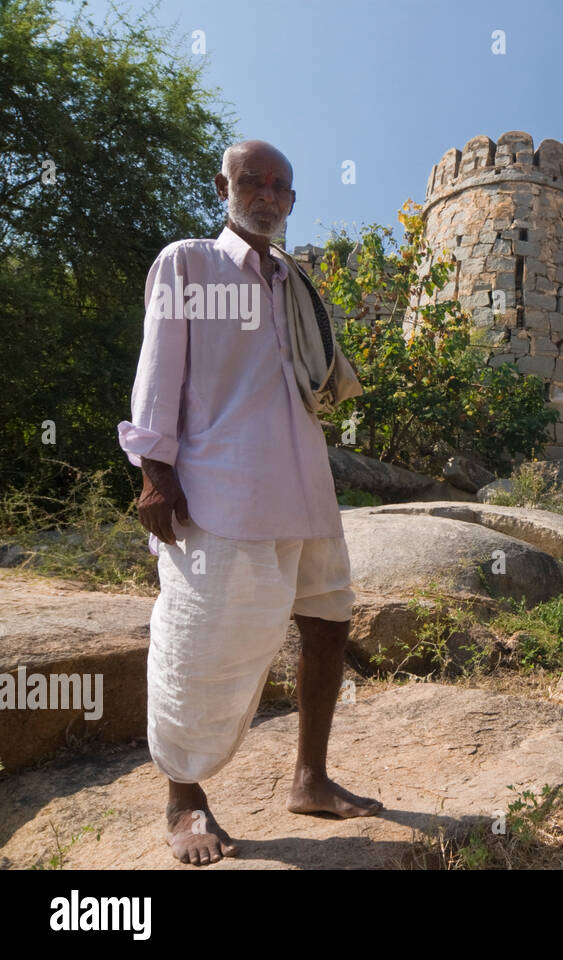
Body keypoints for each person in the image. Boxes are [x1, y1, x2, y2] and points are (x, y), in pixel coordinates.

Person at [119, 140, 381, 866]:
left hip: (304, 483)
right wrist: (155, 472)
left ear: (291, 201)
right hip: (220, 490)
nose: (266, 195)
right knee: (198, 641)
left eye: (280, 187)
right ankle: (184, 798)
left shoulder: (296, 282)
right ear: (224, 186)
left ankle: (311, 777)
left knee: (327, 622)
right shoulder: (189, 263)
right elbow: (159, 367)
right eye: (253, 181)